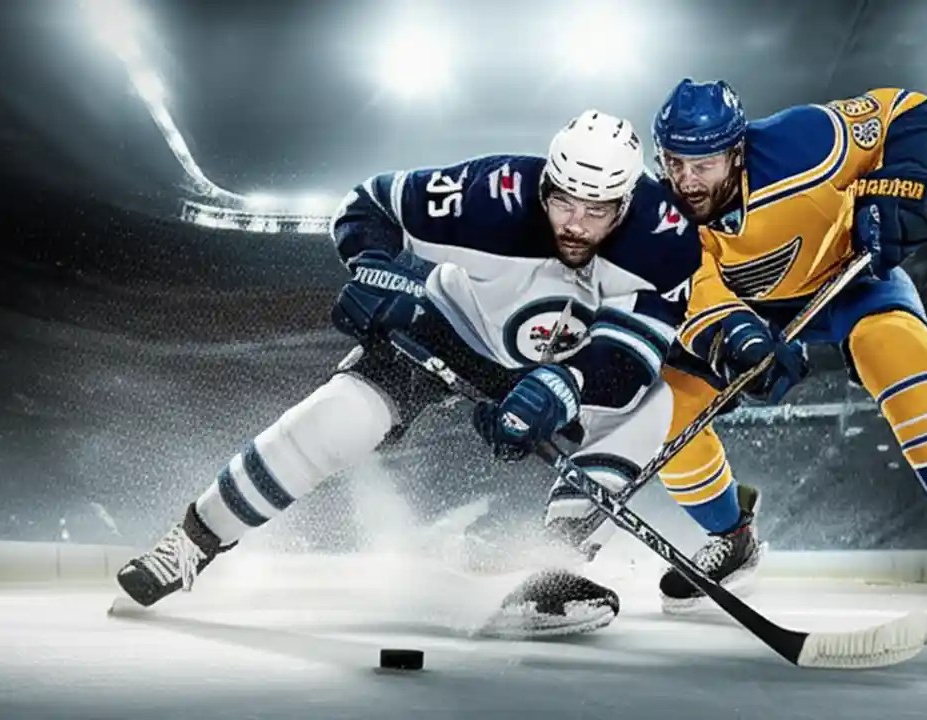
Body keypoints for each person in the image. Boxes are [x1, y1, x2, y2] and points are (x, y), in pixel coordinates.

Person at [114, 110, 708, 637]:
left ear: (627, 203)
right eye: (563, 202)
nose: (575, 224)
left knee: (649, 406)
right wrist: (377, 272)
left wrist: (564, 387)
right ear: (545, 184)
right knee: (337, 420)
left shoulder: (664, 240)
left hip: (562, 368)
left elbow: (633, 355)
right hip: (450, 331)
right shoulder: (490, 195)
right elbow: (369, 205)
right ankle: (193, 540)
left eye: (596, 209)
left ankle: (556, 571)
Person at [648, 79, 927, 641]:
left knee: (902, 353)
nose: (686, 180)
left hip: (847, 279)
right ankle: (733, 538)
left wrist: (904, 181)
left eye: (704, 163)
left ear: (737, 150)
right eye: (674, 162)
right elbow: (695, 292)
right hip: (747, 312)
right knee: (666, 406)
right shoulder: (659, 212)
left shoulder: (805, 140)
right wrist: (741, 339)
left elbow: (911, 109)